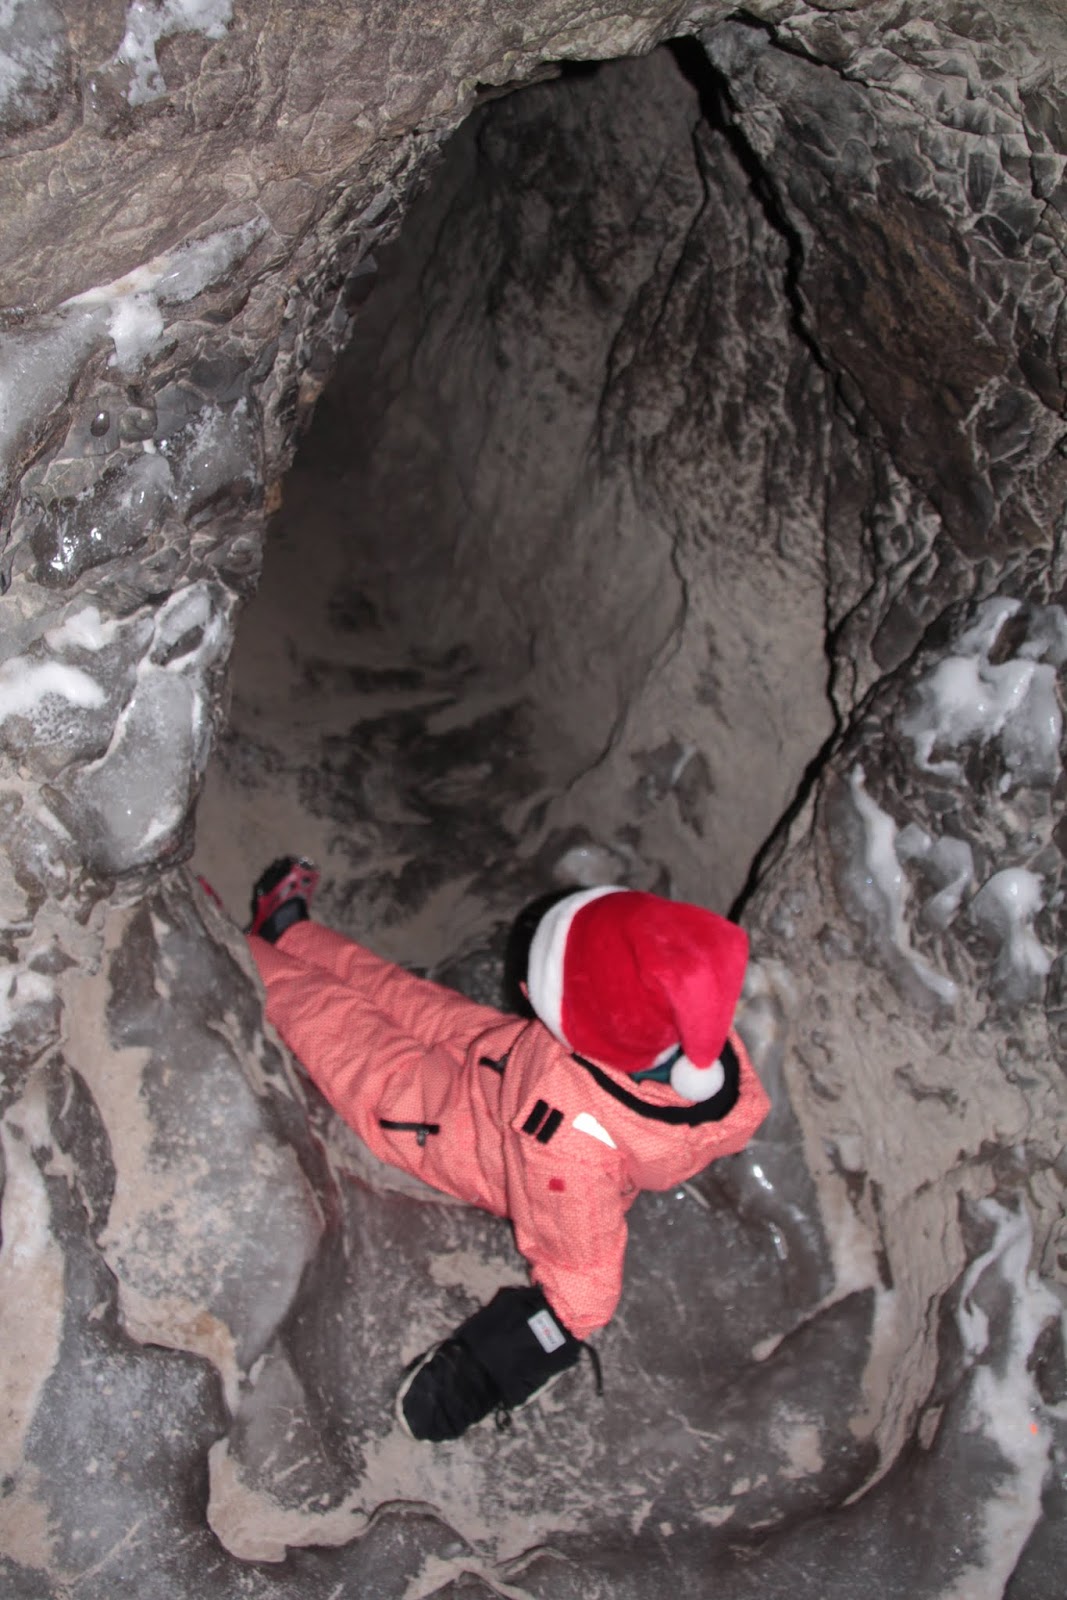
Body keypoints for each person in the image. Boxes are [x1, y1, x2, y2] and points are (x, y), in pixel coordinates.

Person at [242, 857, 770, 1442]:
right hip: (507, 1056)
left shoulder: (569, 1149)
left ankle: (239, 955)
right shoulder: (686, 1038)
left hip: (458, 1131)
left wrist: (476, 1376)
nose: (525, 980)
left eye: (546, 982)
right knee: (396, 993)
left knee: (339, 1029)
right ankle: (287, 934)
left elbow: (583, 1288)